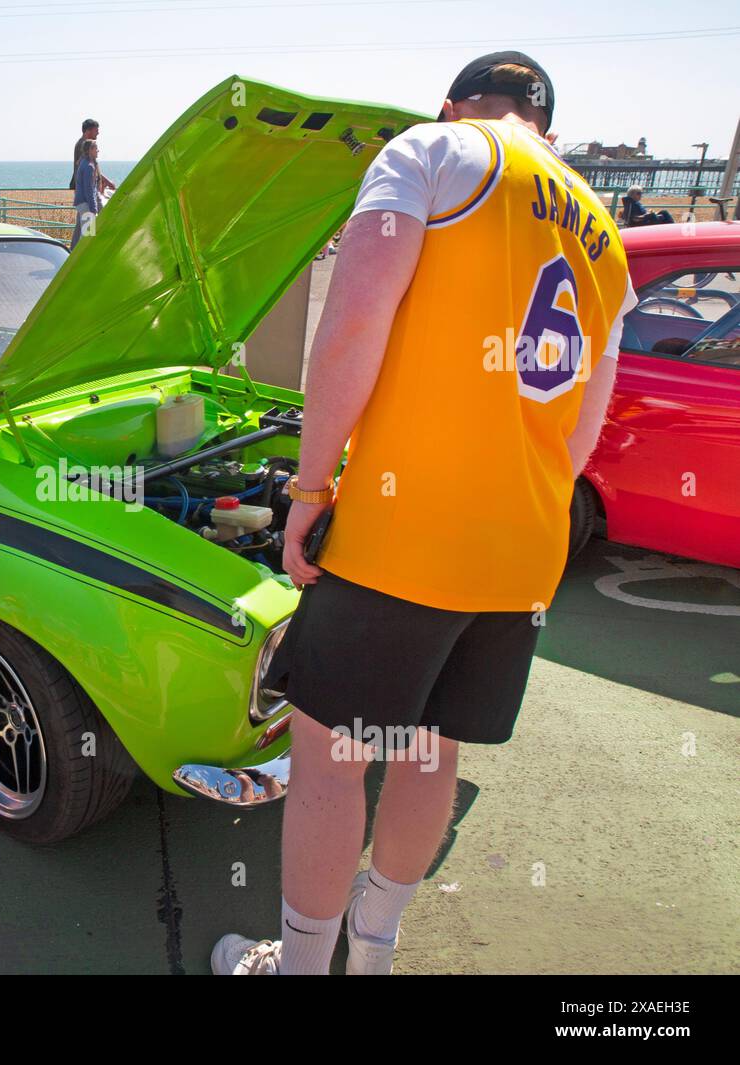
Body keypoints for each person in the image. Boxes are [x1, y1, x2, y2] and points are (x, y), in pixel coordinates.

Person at [213, 51, 637, 976]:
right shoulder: (606, 232)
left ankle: (300, 967)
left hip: (406, 536)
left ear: (455, 106)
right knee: (428, 750)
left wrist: (312, 490)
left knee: (332, 759)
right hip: (523, 545)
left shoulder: (435, 152)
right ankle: (374, 955)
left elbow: (356, 321)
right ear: (550, 133)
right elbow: (581, 434)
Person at [70, 118, 117, 197]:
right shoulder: (83, 146)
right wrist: (108, 182)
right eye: (96, 130)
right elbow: (89, 167)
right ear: (88, 131)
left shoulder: (85, 144)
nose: (98, 133)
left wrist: (103, 181)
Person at [70, 138, 101, 249]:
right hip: (86, 204)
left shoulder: (84, 163)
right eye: (96, 148)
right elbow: (89, 189)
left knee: (86, 234)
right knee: (88, 235)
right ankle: (82, 261)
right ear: (90, 150)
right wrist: (94, 209)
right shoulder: (89, 166)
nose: (98, 151)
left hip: (82, 203)